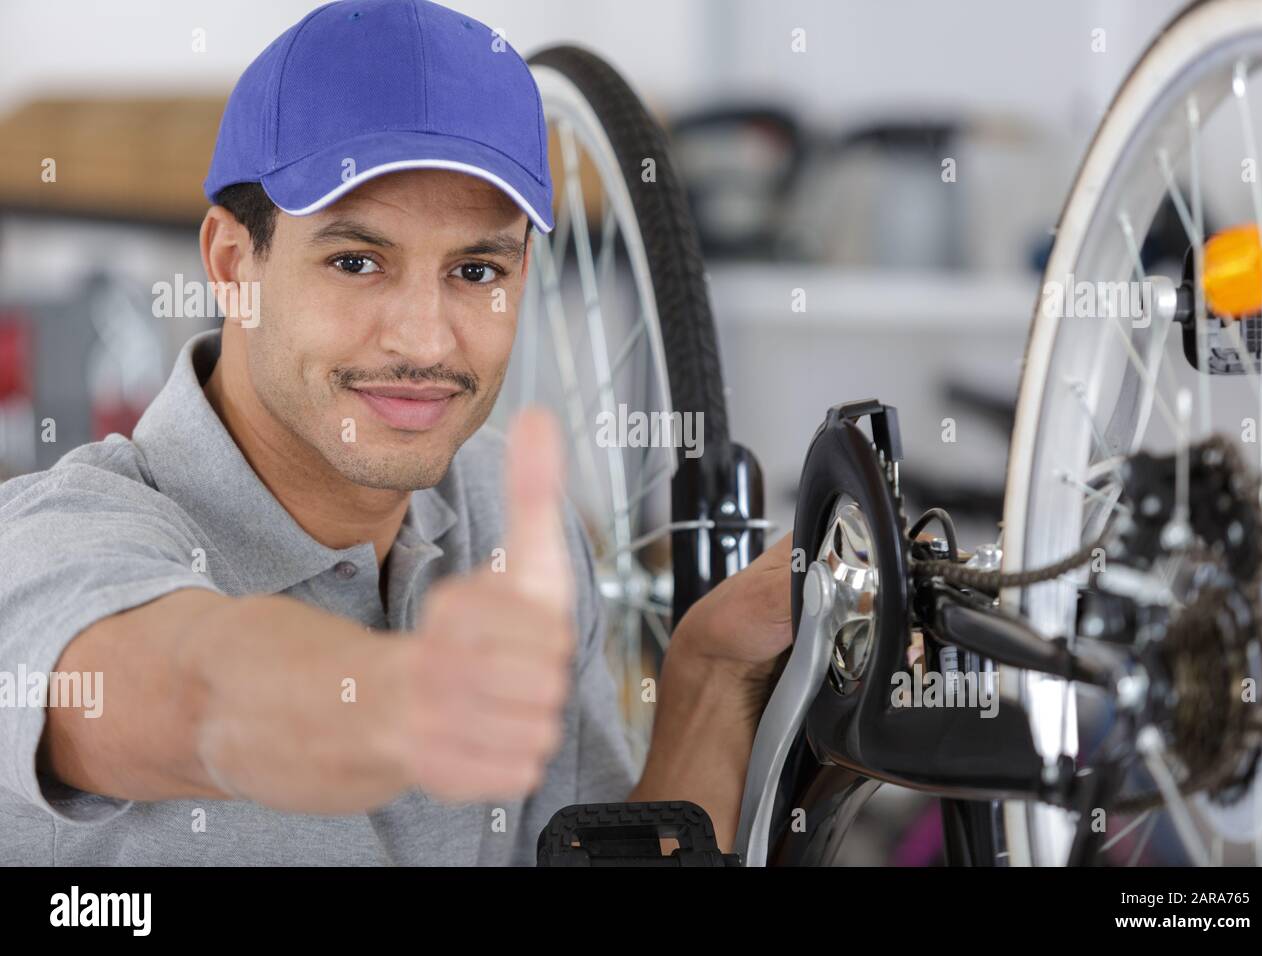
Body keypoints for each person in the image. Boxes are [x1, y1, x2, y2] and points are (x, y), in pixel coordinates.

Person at [0, 0, 792, 865]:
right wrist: (396, 702)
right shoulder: (50, 543)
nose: (424, 340)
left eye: (475, 270)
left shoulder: (499, 510)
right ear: (234, 266)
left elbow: (602, 855)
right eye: (356, 262)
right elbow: (194, 690)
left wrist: (715, 668)